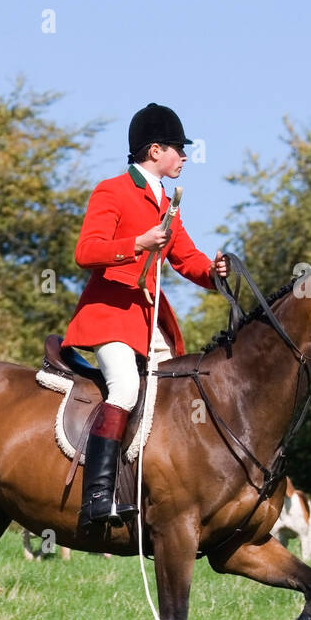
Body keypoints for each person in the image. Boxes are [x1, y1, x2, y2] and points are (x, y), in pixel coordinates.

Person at [63, 103, 229, 531]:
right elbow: (86, 251)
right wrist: (136, 243)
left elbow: (186, 257)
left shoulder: (168, 202)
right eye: (179, 148)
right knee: (124, 388)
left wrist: (214, 271)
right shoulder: (112, 190)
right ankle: (98, 496)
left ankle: (154, 489)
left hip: (147, 321)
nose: (186, 156)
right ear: (155, 150)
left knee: (174, 399)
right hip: (111, 315)